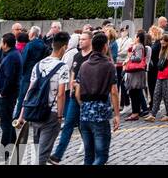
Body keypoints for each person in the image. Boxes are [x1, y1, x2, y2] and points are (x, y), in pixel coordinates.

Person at [19, 30, 69, 165]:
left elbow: (29, 91)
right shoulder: (62, 67)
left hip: (35, 111)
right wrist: (59, 116)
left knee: (38, 150)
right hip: (50, 113)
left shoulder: (38, 65)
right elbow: (61, 94)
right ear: (64, 47)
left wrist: (21, 115)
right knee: (42, 154)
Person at [49, 26, 94, 163]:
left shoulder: (93, 57)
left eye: (84, 39)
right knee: (69, 124)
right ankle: (57, 155)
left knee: (86, 127)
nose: (81, 42)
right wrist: (71, 88)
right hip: (75, 96)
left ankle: (93, 153)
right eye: (80, 39)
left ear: (91, 41)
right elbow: (73, 73)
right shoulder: (77, 55)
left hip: (87, 98)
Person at [76, 31, 120, 165]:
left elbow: (77, 91)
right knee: (101, 155)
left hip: (84, 113)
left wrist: (83, 104)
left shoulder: (84, 65)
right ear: (105, 47)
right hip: (101, 113)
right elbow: (113, 91)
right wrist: (116, 114)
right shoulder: (109, 66)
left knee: (88, 155)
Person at [0, 34, 22, 155]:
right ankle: (13, 146)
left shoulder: (11, 57)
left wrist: (3, 93)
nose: (1, 44)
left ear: (5, 44)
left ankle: (4, 152)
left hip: (7, 95)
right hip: (8, 93)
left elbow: (9, 78)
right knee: (7, 120)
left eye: (2, 42)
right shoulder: (12, 54)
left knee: (5, 124)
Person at [17, 26, 50, 110]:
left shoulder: (29, 45)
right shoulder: (44, 45)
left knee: (22, 97)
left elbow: (23, 61)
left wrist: (21, 73)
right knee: (33, 96)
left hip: (27, 74)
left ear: (32, 34)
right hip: (39, 74)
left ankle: (18, 117)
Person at [123, 31, 150, 119]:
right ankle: (136, 111)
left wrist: (130, 56)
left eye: (135, 36)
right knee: (135, 91)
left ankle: (135, 112)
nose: (134, 38)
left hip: (136, 72)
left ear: (138, 38)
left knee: (134, 91)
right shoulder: (139, 46)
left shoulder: (139, 46)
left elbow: (138, 58)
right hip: (136, 72)